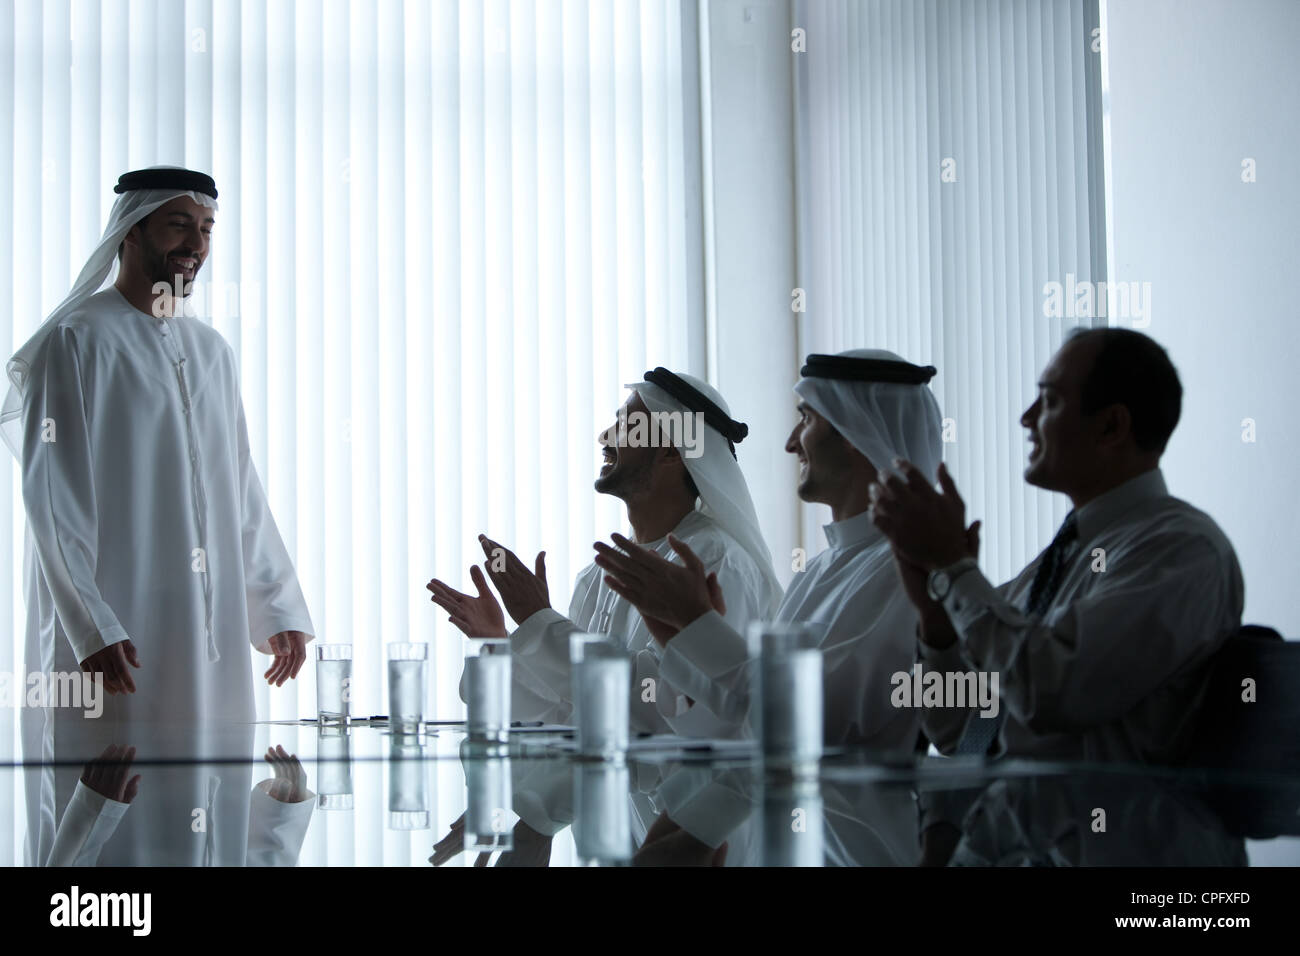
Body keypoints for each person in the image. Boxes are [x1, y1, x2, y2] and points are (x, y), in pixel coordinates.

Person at [3, 167, 315, 724]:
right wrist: (91, 625)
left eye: (206, 228)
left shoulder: (212, 351)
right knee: (108, 761)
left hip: (204, 637)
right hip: (112, 634)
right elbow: (53, 500)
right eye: (178, 225)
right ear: (131, 230)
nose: (196, 244)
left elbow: (239, 487)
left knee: (206, 760)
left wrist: (276, 605)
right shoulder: (76, 340)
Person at [869, 328, 1243, 763]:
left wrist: (954, 569)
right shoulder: (1061, 558)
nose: (1026, 418)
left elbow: (1049, 694)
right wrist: (936, 623)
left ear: (1111, 426)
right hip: (998, 807)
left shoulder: (1182, 551)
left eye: (1049, 400)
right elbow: (956, 732)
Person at [592, 349, 944, 749]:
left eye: (806, 420)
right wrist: (685, 638)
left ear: (853, 432)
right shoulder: (818, 570)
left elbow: (812, 723)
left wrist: (696, 628)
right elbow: (741, 733)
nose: (792, 444)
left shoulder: (902, 572)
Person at [428, 368, 780, 735]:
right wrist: (497, 645)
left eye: (627, 426)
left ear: (670, 451)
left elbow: (669, 715)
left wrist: (539, 621)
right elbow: (572, 717)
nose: (606, 437)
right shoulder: (597, 576)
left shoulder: (715, 562)